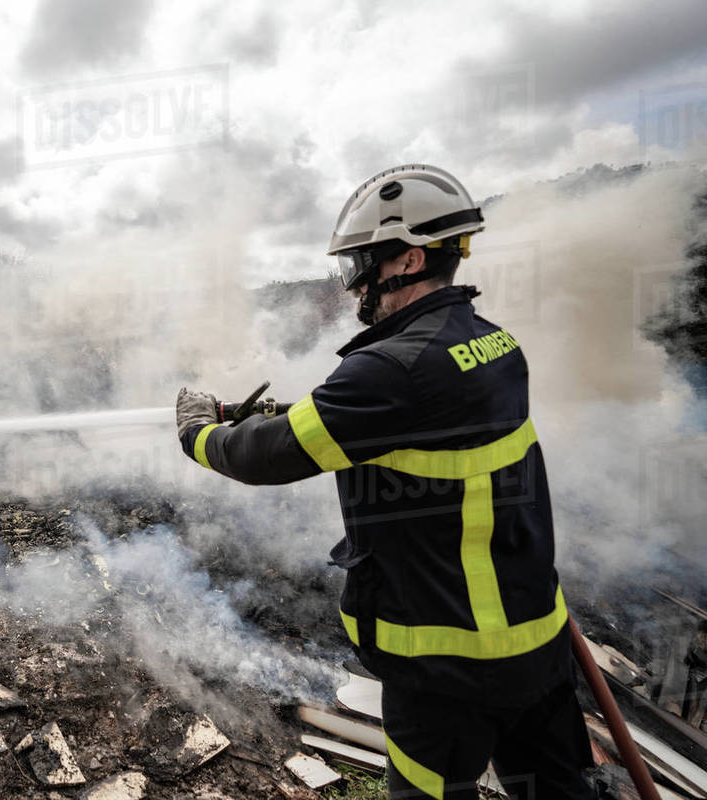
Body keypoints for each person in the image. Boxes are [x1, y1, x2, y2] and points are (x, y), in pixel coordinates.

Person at [175, 165, 596, 799]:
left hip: (447, 669)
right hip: (537, 640)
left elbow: (272, 457)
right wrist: (274, 411)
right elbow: (401, 420)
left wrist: (199, 436)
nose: (353, 287)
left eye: (360, 265)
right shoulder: (491, 343)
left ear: (408, 258)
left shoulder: (390, 369)